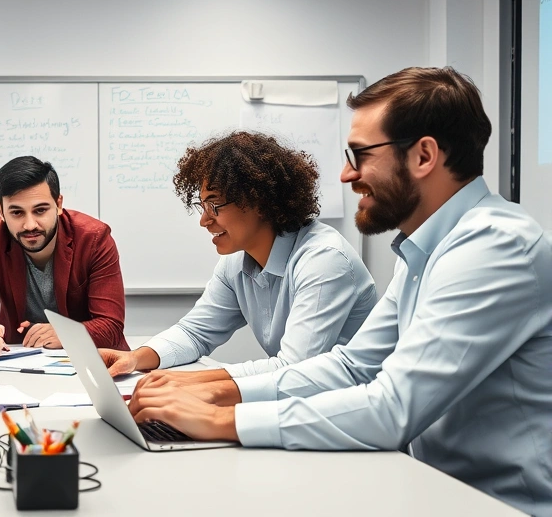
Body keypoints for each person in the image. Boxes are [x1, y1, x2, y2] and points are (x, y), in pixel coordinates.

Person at [128, 67, 552, 516]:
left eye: (360, 155)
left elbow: (391, 408)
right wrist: (220, 393)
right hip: (429, 487)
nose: (347, 176)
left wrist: (221, 418)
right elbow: (352, 366)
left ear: (424, 156)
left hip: (501, 505)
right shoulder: (426, 250)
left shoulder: (495, 247)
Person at [100, 131, 376, 382]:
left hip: (353, 418)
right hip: (302, 406)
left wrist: (189, 383)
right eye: (202, 206)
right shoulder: (236, 263)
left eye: (215, 205)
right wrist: (134, 359)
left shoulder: (324, 260)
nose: (204, 221)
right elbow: (195, 333)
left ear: (259, 202)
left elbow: (294, 368)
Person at [0, 156, 128, 356]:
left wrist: (66, 333)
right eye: (17, 213)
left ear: (58, 204)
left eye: (40, 210)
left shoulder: (94, 238)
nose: (30, 225)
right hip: (18, 360)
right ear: (1, 211)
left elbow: (111, 326)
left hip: (87, 361)